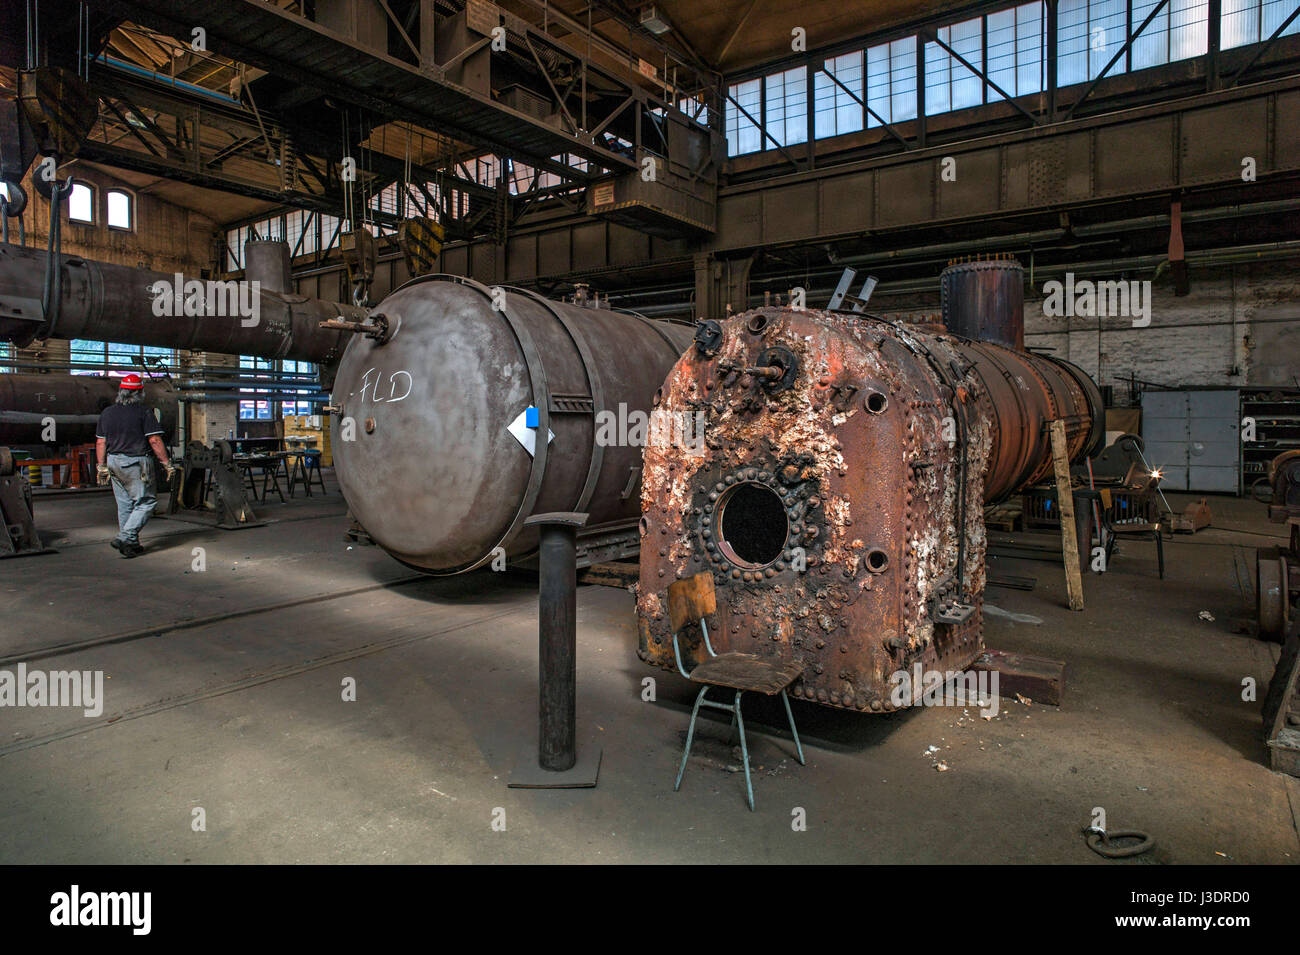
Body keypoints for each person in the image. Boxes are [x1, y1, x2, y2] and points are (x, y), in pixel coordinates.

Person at [95, 374, 175, 558]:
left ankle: (130, 545)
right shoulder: (144, 412)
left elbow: (100, 442)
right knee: (146, 502)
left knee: (125, 506)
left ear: (121, 392)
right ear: (139, 393)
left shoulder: (107, 413)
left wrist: (101, 466)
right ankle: (125, 536)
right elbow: (154, 440)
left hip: (114, 462)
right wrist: (166, 463)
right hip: (136, 463)